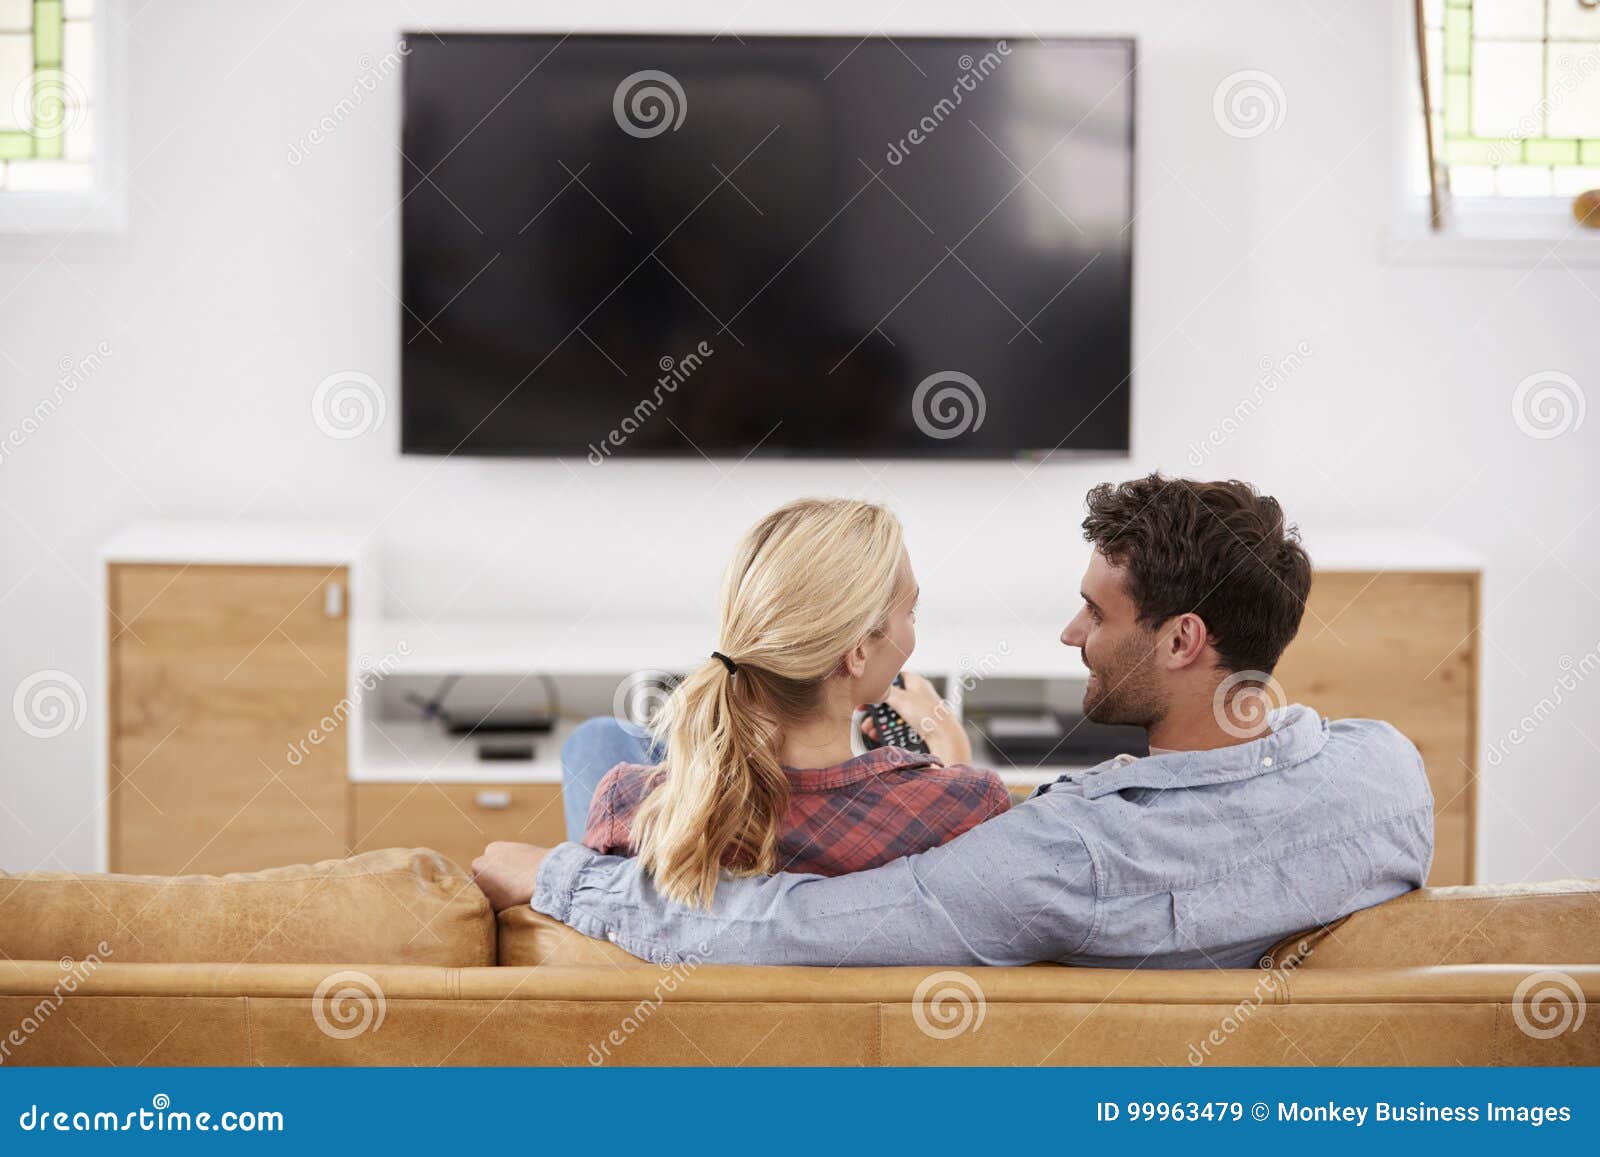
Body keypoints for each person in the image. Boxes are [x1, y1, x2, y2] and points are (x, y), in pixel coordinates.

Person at [473, 474, 1435, 969]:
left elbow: (786, 929)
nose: (1071, 633)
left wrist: (559, 876)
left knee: (610, 749)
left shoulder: (1061, 855)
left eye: (1097, 614)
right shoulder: (1388, 778)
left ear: (1184, 640)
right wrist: (963, 782)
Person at [557, 496, 1009, 908]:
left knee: (600, 737)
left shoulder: (629, 804)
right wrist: (949, 747)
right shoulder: (967, 804)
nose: (912, 628)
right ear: (857, 652)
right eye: (911, 612)